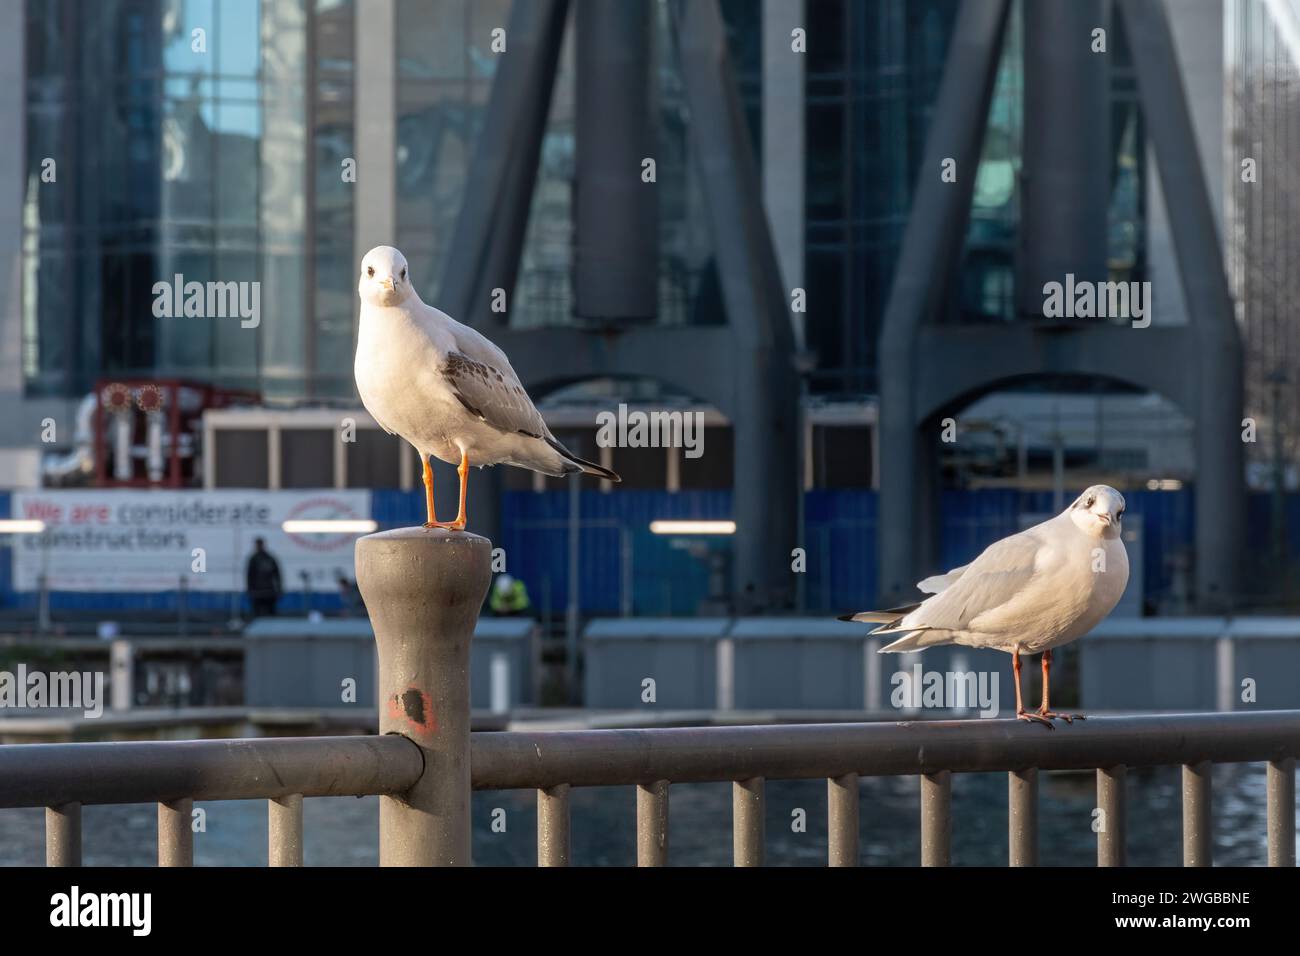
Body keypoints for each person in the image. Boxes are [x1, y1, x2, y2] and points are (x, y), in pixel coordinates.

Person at [246, 537, 282, 618]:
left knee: (271, 614)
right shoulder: (253, 559)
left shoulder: (270, 558)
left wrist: (279, 589)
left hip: (269, 591)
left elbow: (277, 575)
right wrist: (250, 590)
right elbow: (249, 576)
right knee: (257, 615)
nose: (259, 546)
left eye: (260, 544)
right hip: (257, 592)